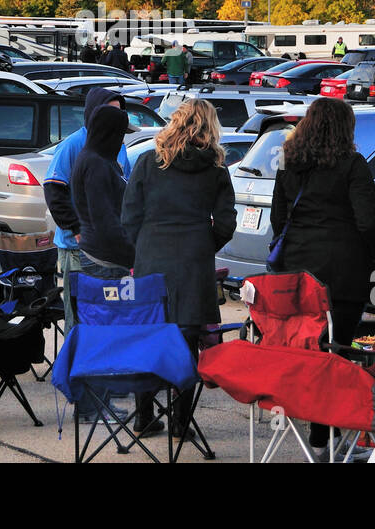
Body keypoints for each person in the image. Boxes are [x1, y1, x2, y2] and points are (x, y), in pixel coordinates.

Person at [271, 96, 375, 459]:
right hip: (344, 274)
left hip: (299, 274)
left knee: (310, 351)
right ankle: (326, 437)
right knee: (337, 355)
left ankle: (319, 433)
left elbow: (278, 218)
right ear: (345, 128)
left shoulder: (289, 162)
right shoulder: (353, 164)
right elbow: (368, 221)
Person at [122, 98, 237, 436]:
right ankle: (180, 422)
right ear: (209, 128)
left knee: (150, 336)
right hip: (193, 264)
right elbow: (226, 223)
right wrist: (203, 245)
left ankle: (144, 417)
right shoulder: (216, 168)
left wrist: (144, 248)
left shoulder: (147, 161)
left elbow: (129, 218)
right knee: (186, 341)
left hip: (151, 260)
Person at [71, 102, 161, 435]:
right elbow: (107, 222)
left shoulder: (98, 160)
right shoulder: (94, 164)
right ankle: (91, 404)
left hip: (104, 257)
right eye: (120, 134)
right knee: (103, 335)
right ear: (107, 133)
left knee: (104, 333)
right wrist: (135, 257)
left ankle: (99, 400)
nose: (122, 141)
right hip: (104, 262)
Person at [42, 87, 132, 330]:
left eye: (119, 112)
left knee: (106, 319)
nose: (116, 118)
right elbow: (53, 189)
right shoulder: (75, 144)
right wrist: (76, 228)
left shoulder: (119, 146)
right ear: (92, 113)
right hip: (75, 249)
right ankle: (74, 366)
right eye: (109, 111)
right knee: (79, 318)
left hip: (108, 252)